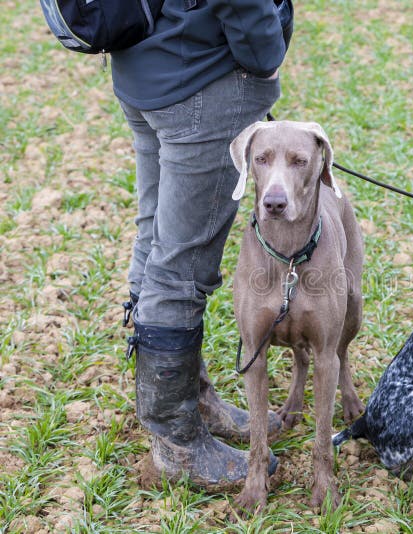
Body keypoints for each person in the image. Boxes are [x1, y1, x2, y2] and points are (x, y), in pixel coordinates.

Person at [112, 0, 292, 490]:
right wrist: (266, 56)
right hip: (201, 84)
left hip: (144, 64)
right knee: (181, 265)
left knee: (156, 238)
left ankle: (190, 398)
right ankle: (176, 440)